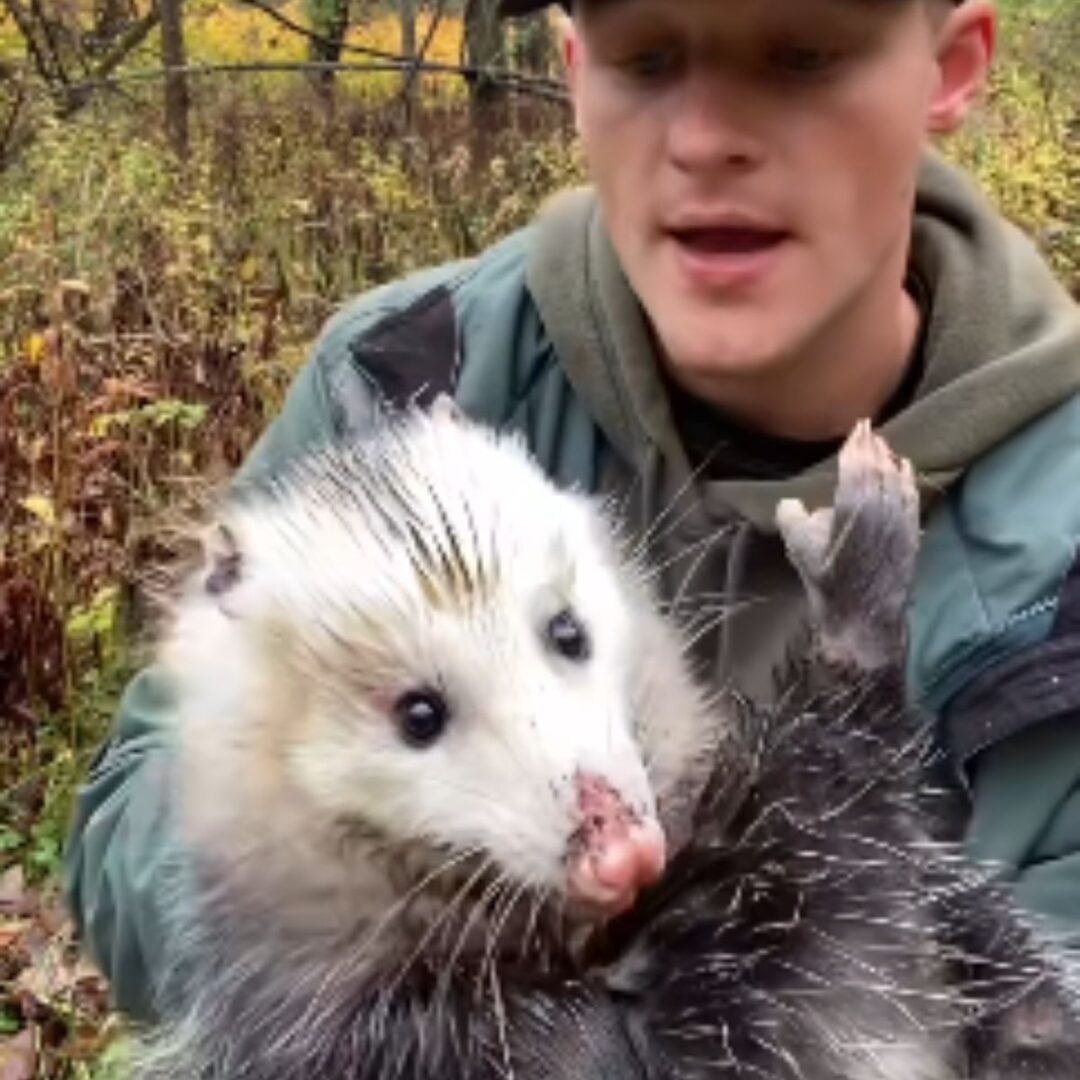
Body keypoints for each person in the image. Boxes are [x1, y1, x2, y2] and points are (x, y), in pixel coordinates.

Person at [64, 0, 1080, 1022]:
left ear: (948, 72)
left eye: (801, 55)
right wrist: (366, 928)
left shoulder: (1061, 544)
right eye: (643, 59)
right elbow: (137, 816)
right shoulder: (404, 376)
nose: (705, 140)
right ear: (574, 75)